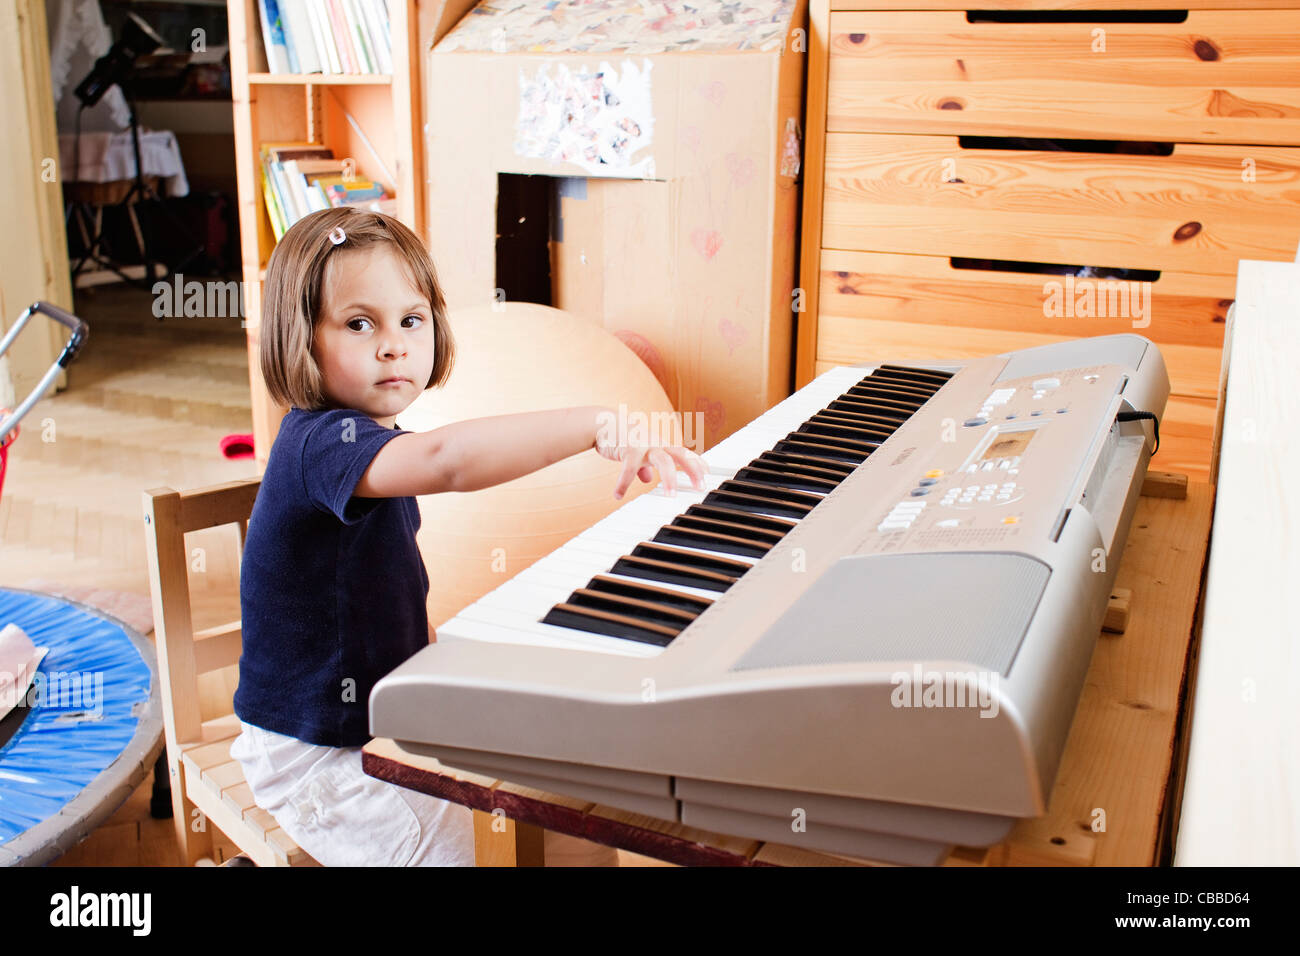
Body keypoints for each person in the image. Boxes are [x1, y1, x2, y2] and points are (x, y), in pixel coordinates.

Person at [229, 206, 705, 866]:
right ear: (298, 337)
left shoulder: (363, 444)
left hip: (382, 715)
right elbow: (447, 459)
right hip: (316, 755)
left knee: (563, 817)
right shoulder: (323, 443)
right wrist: (595, 424)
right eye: (359, 322)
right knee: (491, 856)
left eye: (411, 320)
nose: (393, 343)